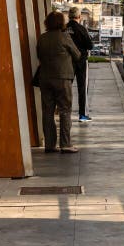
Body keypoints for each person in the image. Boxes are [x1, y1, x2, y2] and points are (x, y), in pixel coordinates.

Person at [37, 11, 81, 153]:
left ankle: (50, 145)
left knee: (47, 112)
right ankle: (66, 144)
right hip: (63, 78)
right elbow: (77, 55)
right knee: (65, 111)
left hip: (45, 78)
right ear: (61, 23)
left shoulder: (42, 38)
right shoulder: (65, 37)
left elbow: (39, 55)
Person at [66, 6, 94, 122]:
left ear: (68, 16)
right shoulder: (82, 29)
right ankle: (82, 115)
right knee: (82, 88)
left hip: (67, 62)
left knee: (66, 88)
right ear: (79, 16)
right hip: (81, 62)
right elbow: (90, 45)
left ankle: (65, 114)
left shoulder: (64, 29)